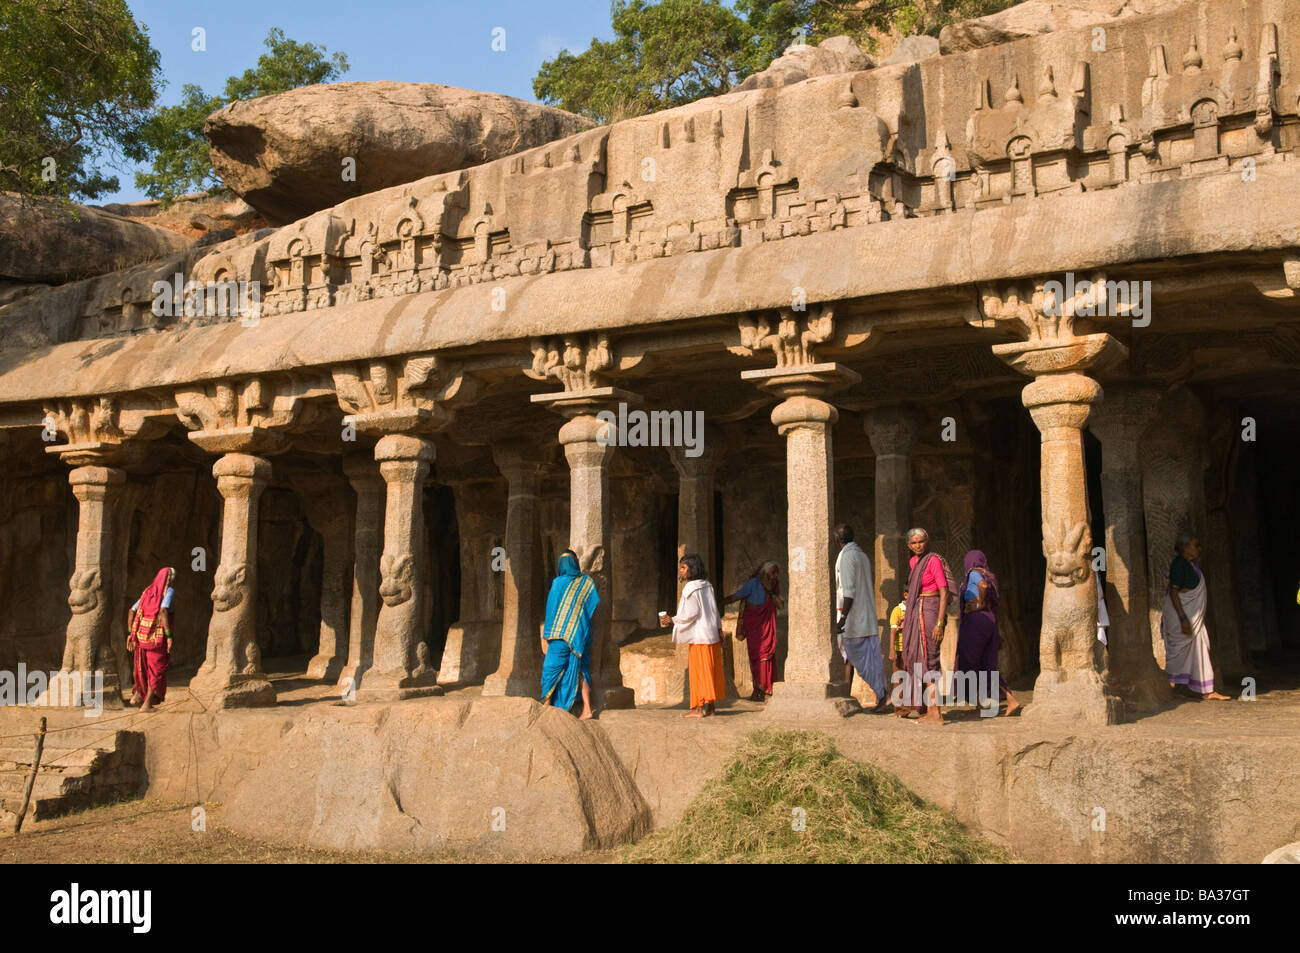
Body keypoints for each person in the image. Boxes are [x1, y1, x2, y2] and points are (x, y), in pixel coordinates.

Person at [1161, 533, 1232, 701]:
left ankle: (1206, 690)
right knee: (1178, 652)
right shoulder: (1179, 565)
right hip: (1182, 617)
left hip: (1193, 619)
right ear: (1185, 547)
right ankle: (1170, 685)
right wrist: (1183, 618)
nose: (1199, 548)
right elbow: (1174, 592)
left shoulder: (1190, 564)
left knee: (1200, 648)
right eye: (1196, 545)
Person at [900, 528, 955, 725]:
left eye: (920, 542)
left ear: (927, 541)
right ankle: (930, 710)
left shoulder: (933, 560)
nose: (917, 546)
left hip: (931, 611)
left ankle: (936, 713)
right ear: (909, 545)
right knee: (919, 659)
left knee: (930, 658)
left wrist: (940, 622)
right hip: (917, 611)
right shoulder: (913, 562)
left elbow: (943, 591)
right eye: (913, 543)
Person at [955, 550, 1020, 716]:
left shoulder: (974, 573)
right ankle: (983, 704)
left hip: (977, 620)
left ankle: (1005, 699)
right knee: (985, 662)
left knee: (970, 661)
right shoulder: (990, 575)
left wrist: (980, 603)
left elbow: (982, 586)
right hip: (988, 619)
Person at [833, 524, 889, 712]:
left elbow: (848, 591)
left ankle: (883, 693)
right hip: (864, 616)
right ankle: (881, 694)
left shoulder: (848, 556)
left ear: (837, 539)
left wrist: (842, 619)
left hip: (855, 618)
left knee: (855, 654)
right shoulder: (862, 555)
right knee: (865, 658)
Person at [661, 554, 724, 718]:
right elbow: (714, 610)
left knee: (699, 672)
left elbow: (690, 613)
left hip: (699, 637)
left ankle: (699, 709)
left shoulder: (690, 588)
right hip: (711, 635)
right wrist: (719, 630)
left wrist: (672, 619)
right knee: (710, 671)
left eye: (683, 567)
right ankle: (710, 708)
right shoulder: (707, 585)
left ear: (692, 569)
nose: (681, 571)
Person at [540, 550, 597, 719]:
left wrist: (548, 634)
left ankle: (546, 704)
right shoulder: (587, 583)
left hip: (559, 636)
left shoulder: (557, 583)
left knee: (550, 669)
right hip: (578, 635)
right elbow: (590, 608)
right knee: (581, 669)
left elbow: (551, 610)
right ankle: (587, 709)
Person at [722, 561, 784, 702]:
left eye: (776, 574)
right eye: (772, 573)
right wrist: (717, 602)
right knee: (755, 658)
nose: (774, 576)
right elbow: (736, 596)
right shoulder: (753, 584)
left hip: (767, 627)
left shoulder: (774, 588)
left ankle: (767, 689)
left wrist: (770, 592)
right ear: (764, 574)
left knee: (766, 657)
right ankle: (758, 690)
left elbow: (780, 605)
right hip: (754, 628)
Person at [127, 567, 174, 712]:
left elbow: (132, 610)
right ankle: (146, 704)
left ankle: (137, 696)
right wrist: (169, 635)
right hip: (156, 639)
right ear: (168, 579)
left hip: (141, 637)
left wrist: (130, 633)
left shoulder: (147, 591)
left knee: (143, 667)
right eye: (172, 577)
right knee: (156, 670)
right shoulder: (168, 591)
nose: (173, 579)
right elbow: (163, 610)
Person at [888, 593, 908, 713]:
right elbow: (893, 631)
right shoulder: (897, 610)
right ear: (905, 595)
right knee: (898, 679)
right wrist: (892, 650)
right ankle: (899, 709)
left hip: (910, 649)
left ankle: (909, 706)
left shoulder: (915, 609)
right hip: (899, 649)